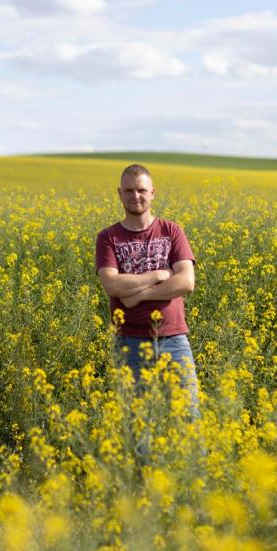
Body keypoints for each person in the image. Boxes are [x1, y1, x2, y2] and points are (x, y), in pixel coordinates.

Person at [95, 164, 199, 417]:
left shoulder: (171, 231)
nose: (136, 196)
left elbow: (186, 282)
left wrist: (139, 294)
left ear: (153, 192)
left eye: (141, 190)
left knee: (189, 421)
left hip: (174, 340)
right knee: (137, 425)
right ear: (119, 194)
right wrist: (158, 275)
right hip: (128, 341)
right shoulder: (108, 237)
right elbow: (112, 285)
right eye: (129, 190)